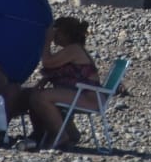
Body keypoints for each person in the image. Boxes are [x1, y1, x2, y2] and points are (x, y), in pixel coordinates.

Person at [24, 16, 100, 149]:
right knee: (33, 95)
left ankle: (60, 135)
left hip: (88, 97)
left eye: (57, 33)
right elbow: (57, 70)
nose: (54, 37)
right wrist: (43, 80)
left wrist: (46, 41)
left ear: (65, 34)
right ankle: (62, 132)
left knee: (41, 97)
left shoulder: (74, 49)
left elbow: (48, 62)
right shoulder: (71, 50)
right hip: (81, 94)